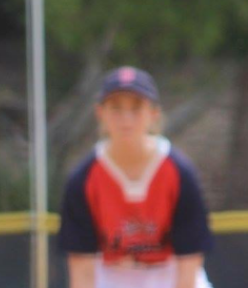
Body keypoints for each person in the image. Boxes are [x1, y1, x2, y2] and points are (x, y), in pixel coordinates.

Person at [58, 66, 214, 288]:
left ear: (153, 113)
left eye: (136, 107)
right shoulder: (83, 178)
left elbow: (189, 264)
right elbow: (82, 272)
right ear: (100, 112)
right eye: (116, 107)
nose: (126, 118)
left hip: (169, 274)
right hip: (110, 277)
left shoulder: (178, 172)